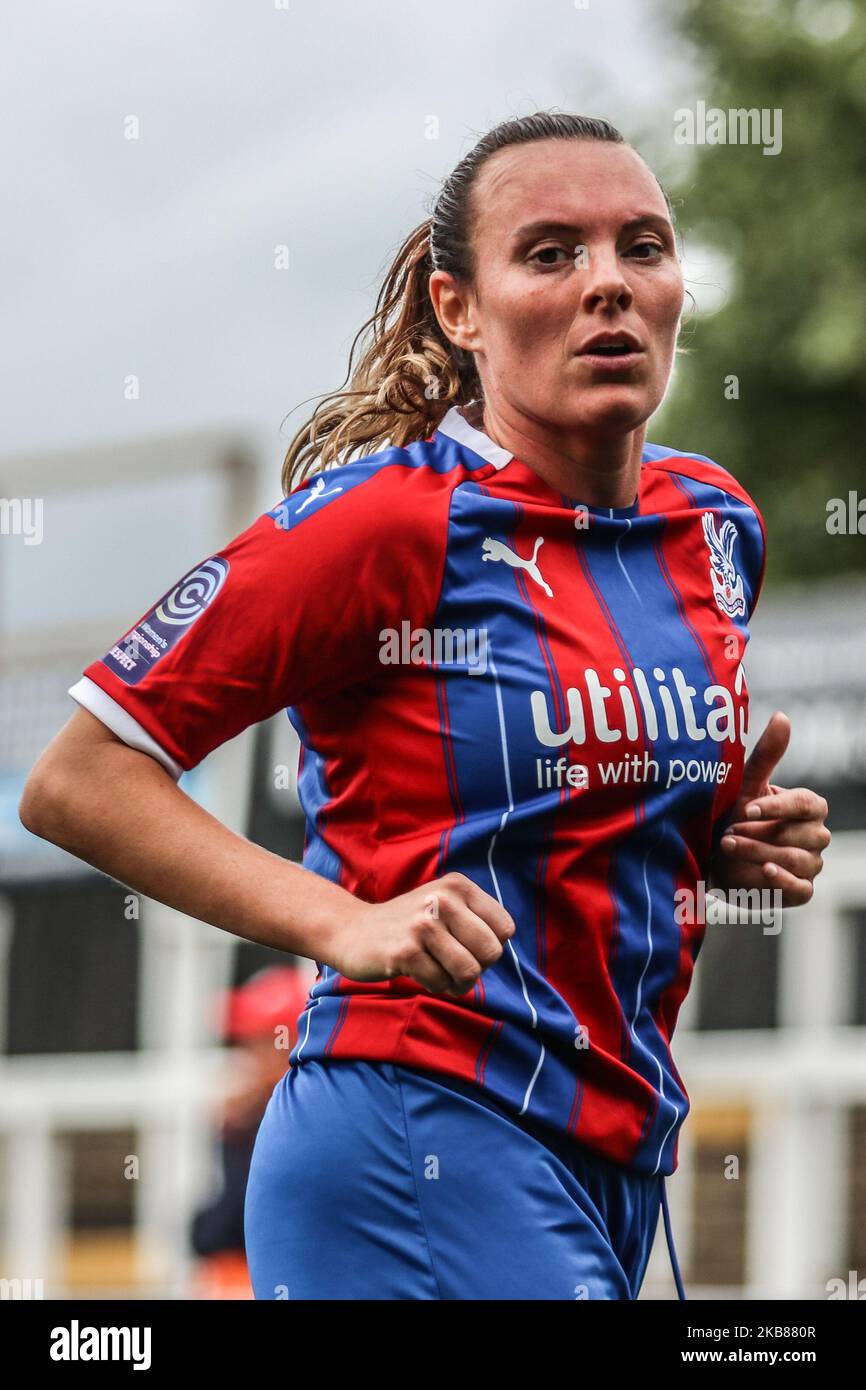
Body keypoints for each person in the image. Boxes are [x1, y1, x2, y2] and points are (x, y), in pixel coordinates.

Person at [19, 111, 830, 1300]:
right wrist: (339, 922)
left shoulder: (712, 524)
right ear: (459, 308)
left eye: (640, 247)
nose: (605, 283)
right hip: (417, 1125)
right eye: (549, 253)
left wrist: (709, 831)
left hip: (613, 1144)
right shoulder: (385, 522)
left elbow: (549, 800)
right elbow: (78, 779)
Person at [189, 965, 308, 1299]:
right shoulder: (245, 1117)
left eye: (256, 1043)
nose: (247, 1057)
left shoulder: (293, 1122)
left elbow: (228, 1227)